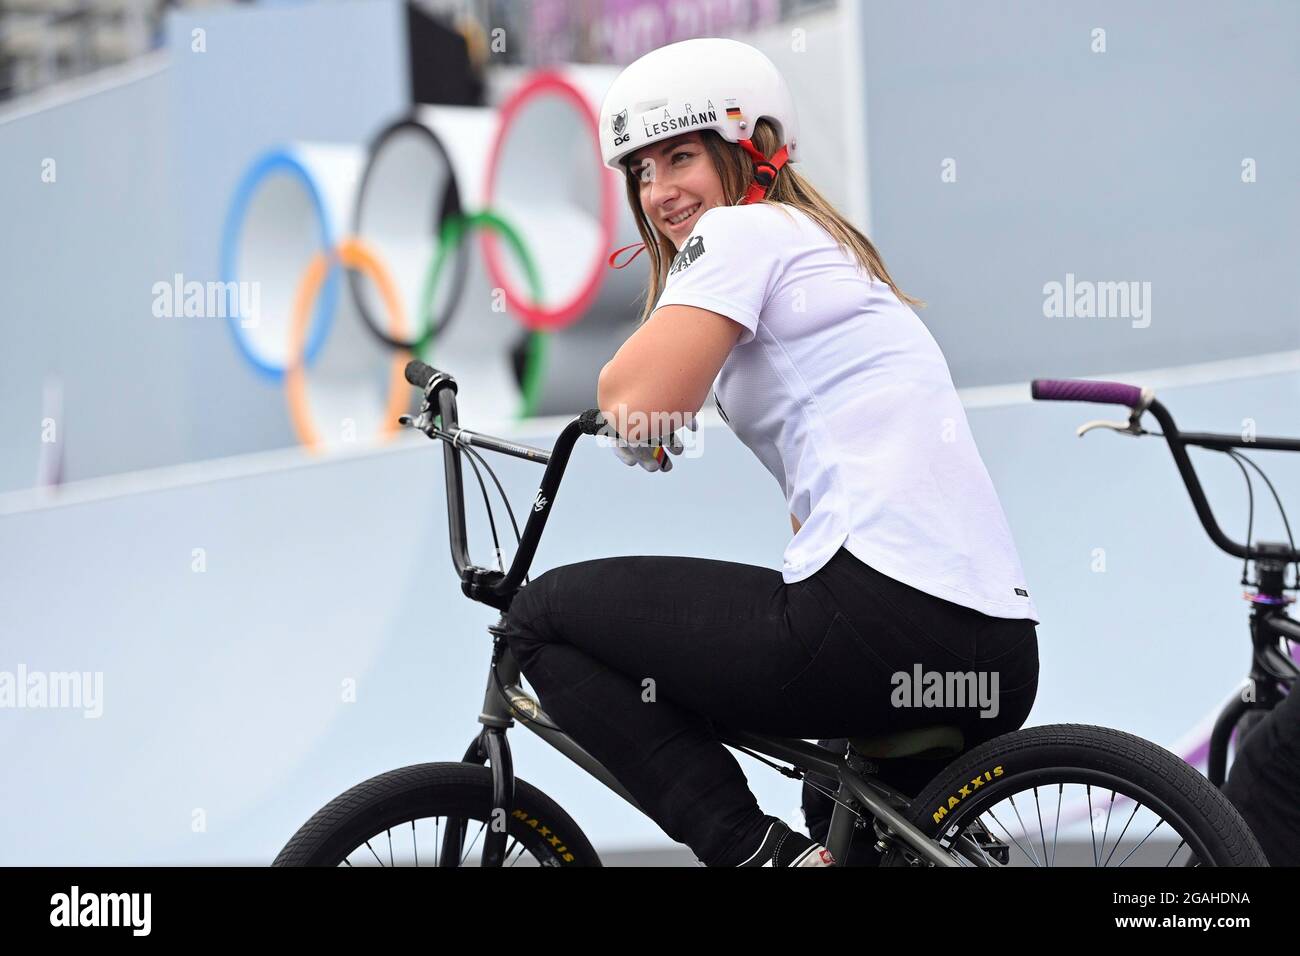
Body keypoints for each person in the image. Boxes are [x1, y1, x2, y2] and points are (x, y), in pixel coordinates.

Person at [502, 37, 1040, 867]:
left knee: (541, 620)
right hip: (993, 648)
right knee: (836, 804)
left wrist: (631, 418)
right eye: (641, 171)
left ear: (749, 150)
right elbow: (807, 497)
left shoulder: (743, 235)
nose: (659, 192)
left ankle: (755, 855)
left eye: (680, 156)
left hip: (884, 622)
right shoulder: (823, 253)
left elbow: (634, 399)